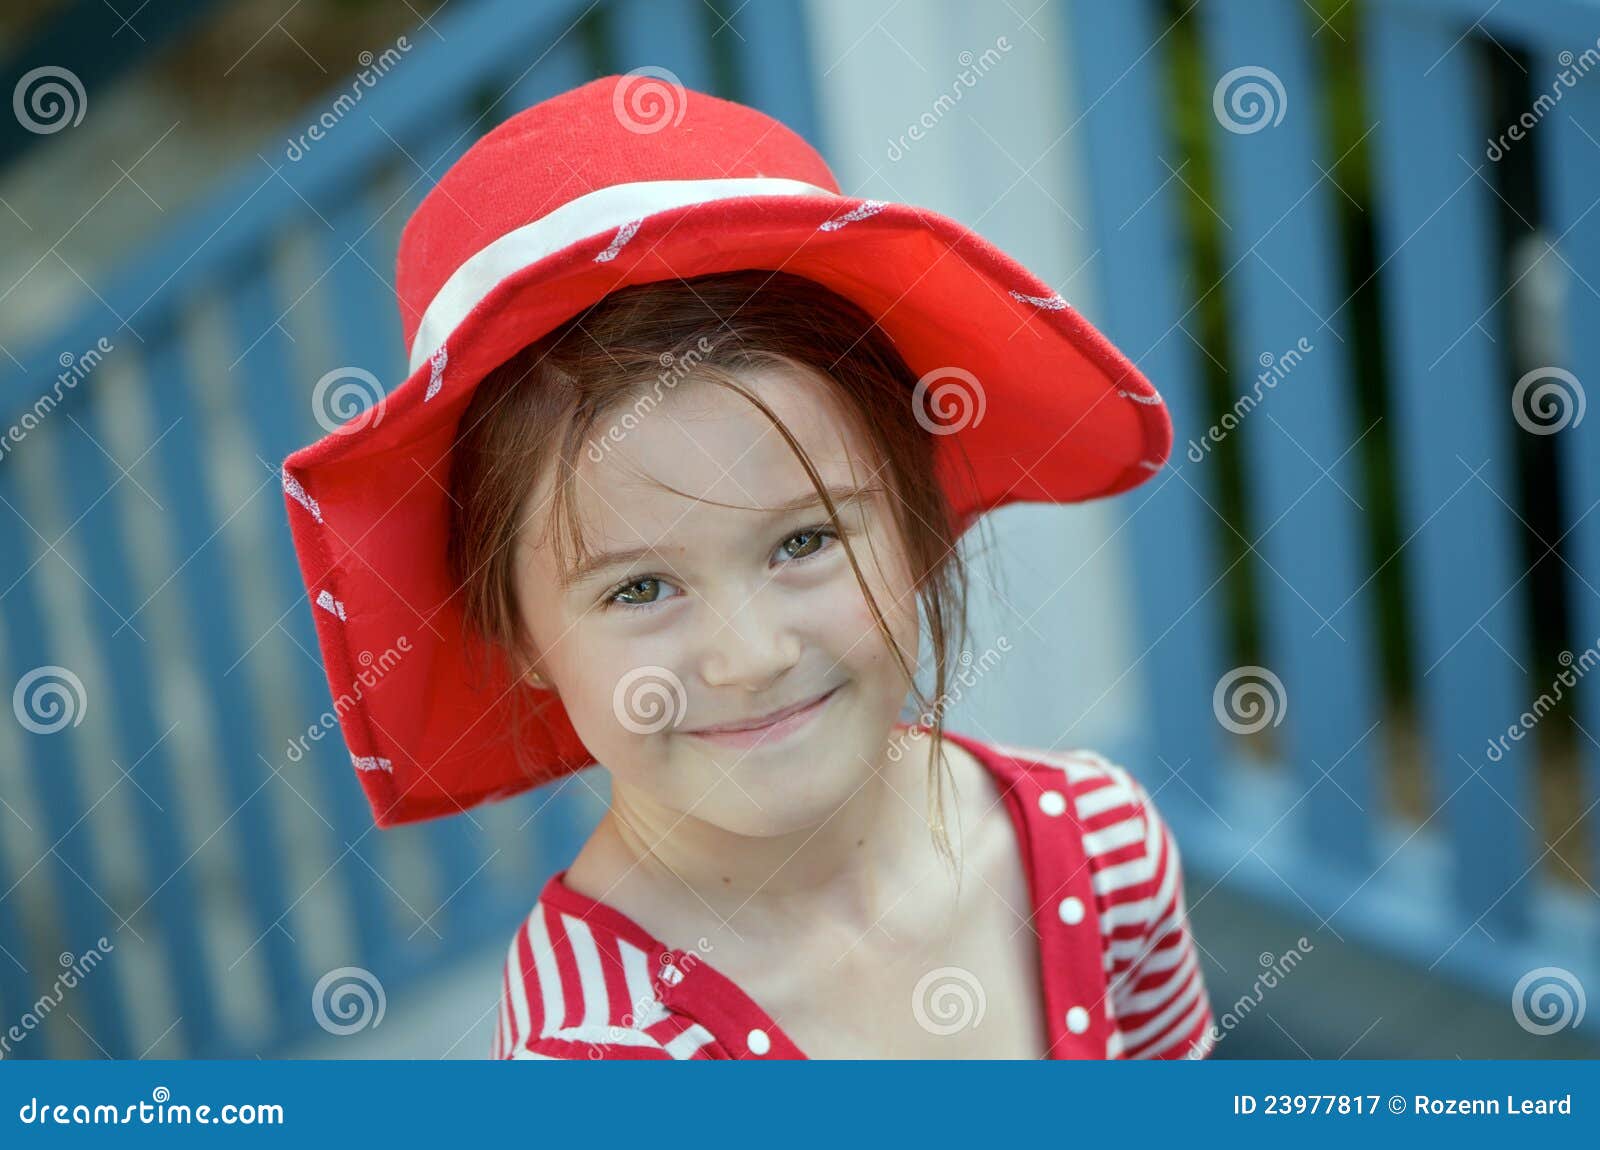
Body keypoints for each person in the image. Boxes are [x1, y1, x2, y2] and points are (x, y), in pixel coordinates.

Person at [280, 73, 1214, 1061]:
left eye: (802, 540)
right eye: (637, 586)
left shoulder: (1103, 851)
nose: (750, 655)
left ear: (914, 518)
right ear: (516, 632)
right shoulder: (603, 1053)